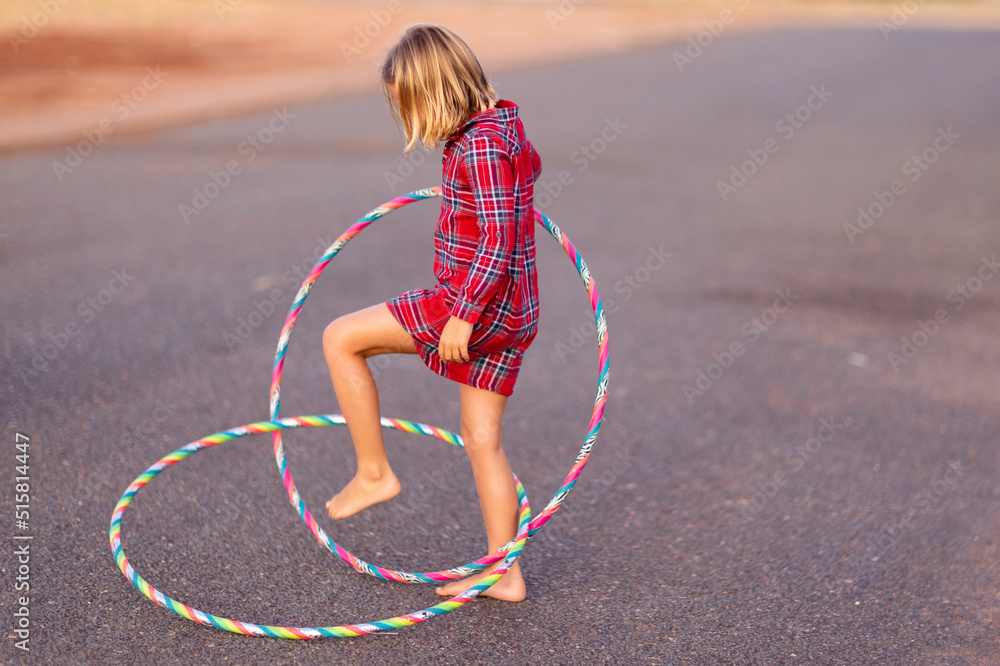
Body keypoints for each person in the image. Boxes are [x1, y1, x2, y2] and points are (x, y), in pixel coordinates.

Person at [321, 24, 541, 602]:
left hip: (474, 308)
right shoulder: (504, 127)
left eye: (410, 105)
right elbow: (531, 171)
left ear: (437, 93)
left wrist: (462, 317)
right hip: (515, 314)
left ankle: (374, 473)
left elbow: (496, 239)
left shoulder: (479, 145)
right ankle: (505, 573)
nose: (410, 119)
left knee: (341, 338)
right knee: (481, 439)